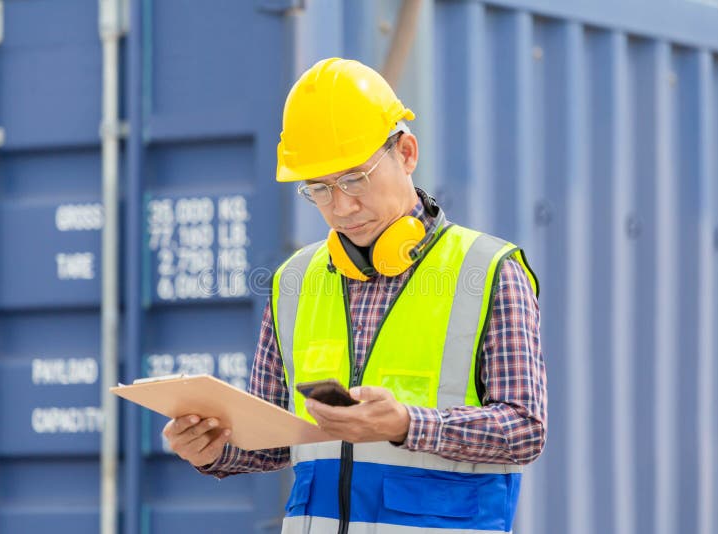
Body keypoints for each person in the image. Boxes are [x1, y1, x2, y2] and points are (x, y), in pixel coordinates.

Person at [164, 57, 546, 534]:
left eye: (353, 179)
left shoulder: (488, 271)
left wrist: (407, 424)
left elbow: (524, 431)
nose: (341, 207)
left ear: (406, 153)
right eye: (319, 189)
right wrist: (214, 448)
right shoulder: (293, 282)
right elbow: (279, 439)